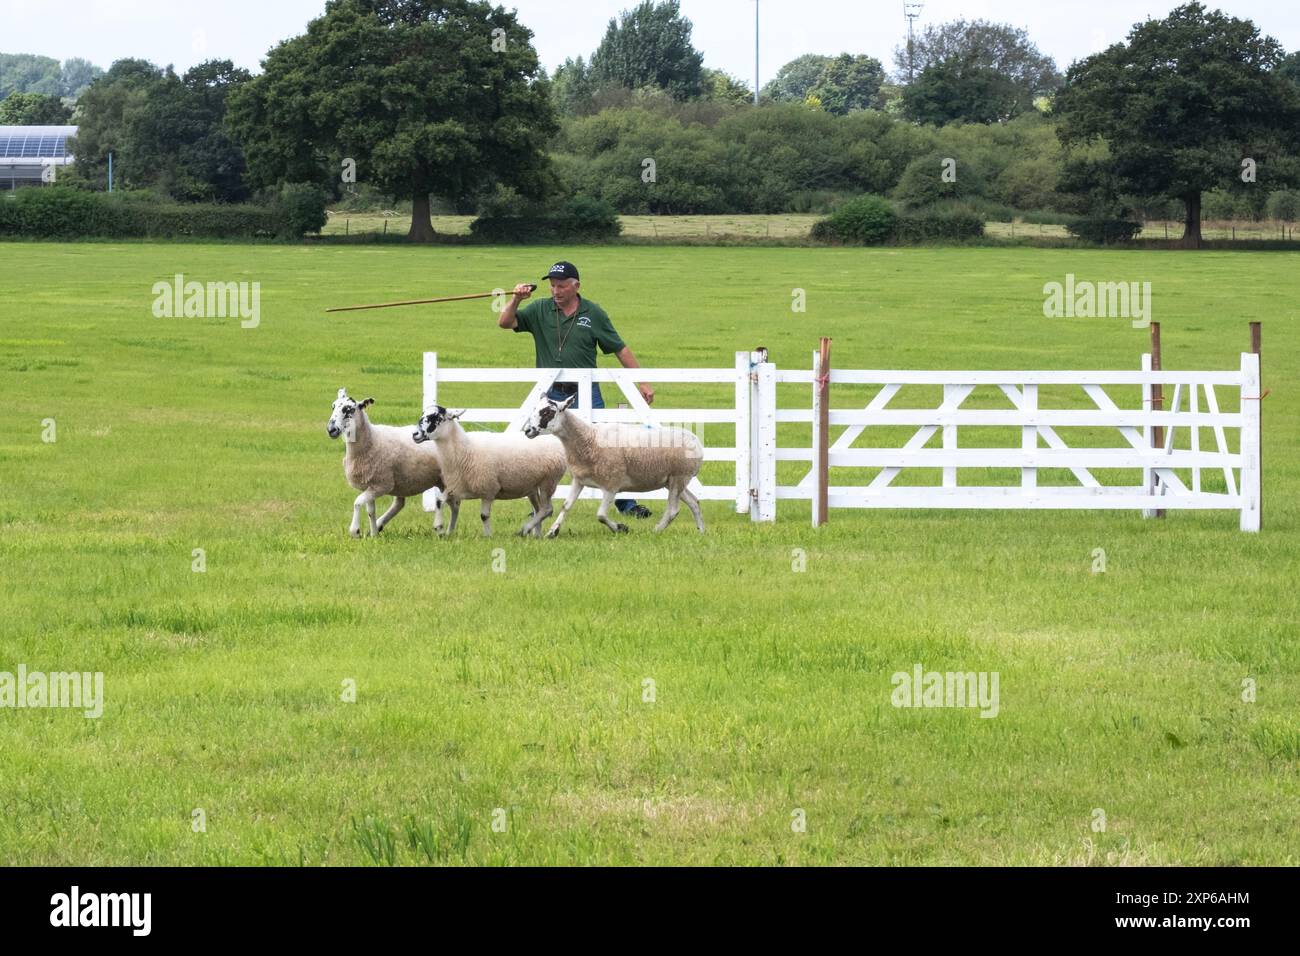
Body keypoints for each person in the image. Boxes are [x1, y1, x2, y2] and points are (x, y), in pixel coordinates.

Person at [498, 261, 653, 518]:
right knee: (543, 450)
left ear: (576, 286)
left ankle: (626, 504)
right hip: (549, 393)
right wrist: (516, 299)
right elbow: (504, 322)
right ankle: (541, 507)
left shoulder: (593, 313)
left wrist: (642, 382)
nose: (556, 291)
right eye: (552, 286)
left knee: (604, 446)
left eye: (561, 286)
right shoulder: (539, 309)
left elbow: (619, 348)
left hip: (585, 393)